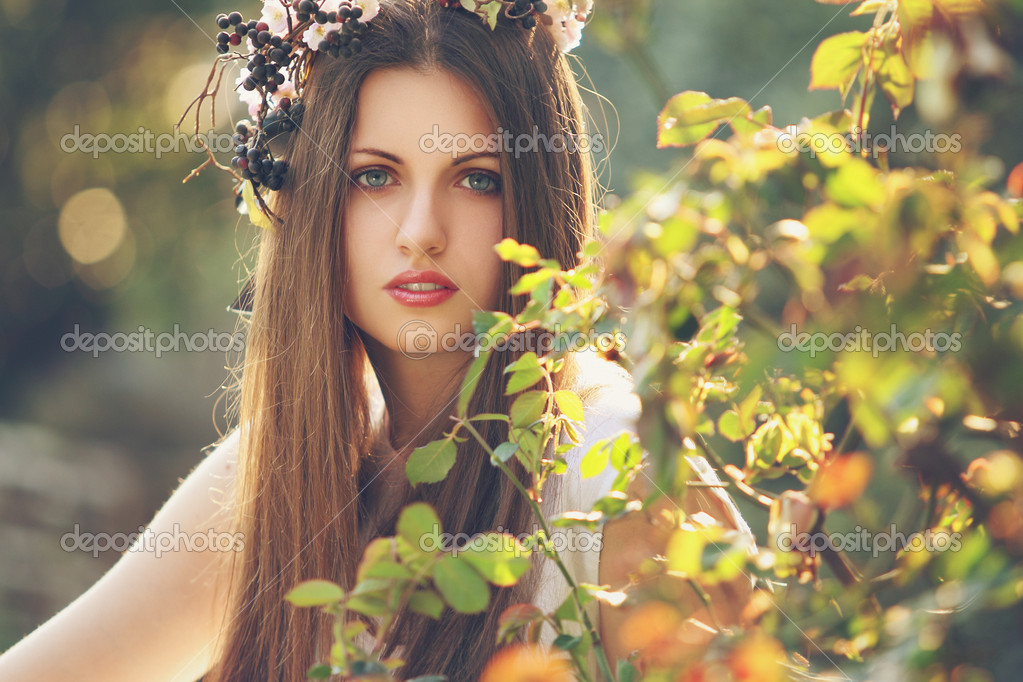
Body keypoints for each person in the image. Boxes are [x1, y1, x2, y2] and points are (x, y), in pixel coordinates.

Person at [0, 1, 753, 679]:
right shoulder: (290, 464)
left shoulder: (620, 471)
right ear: (312, 196)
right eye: (374, 178)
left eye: (477, 179)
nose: (420, 232)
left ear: (541, 197)